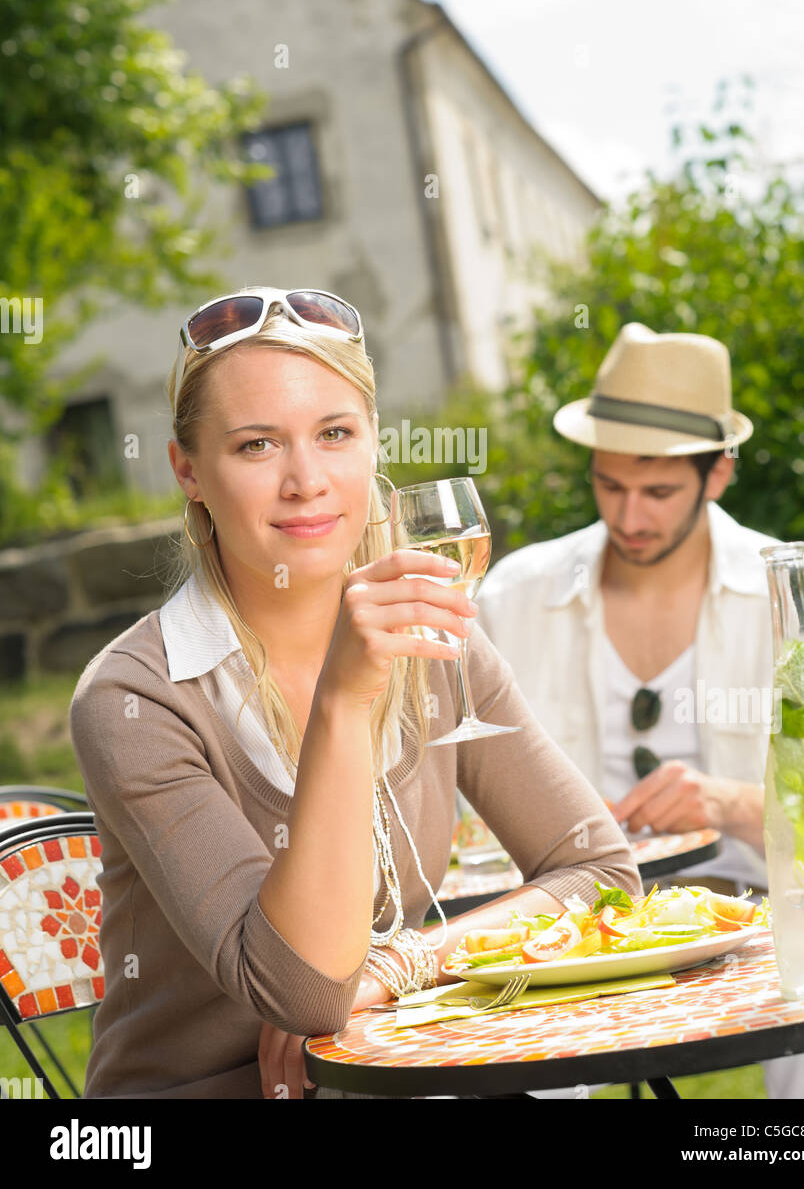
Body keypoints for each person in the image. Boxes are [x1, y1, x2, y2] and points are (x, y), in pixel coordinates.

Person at [68, 285, 640, 1100]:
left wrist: (400, 965)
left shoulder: (433, 636)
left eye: (335, 434)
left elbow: (597, 871)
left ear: (373, 444)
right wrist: (343, 700)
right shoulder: (137, 698)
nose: (307, 481)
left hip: (394, 1073)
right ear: (188, 470)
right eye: (257, 446)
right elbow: (303, 994)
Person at [475, 321, 804, 1099]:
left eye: (658, 492)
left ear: (718, 474)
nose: (630, 517)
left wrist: (723, 801)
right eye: (609, 485)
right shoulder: (516, 594)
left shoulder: (796, 589)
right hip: (566, 923)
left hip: (762, 912)